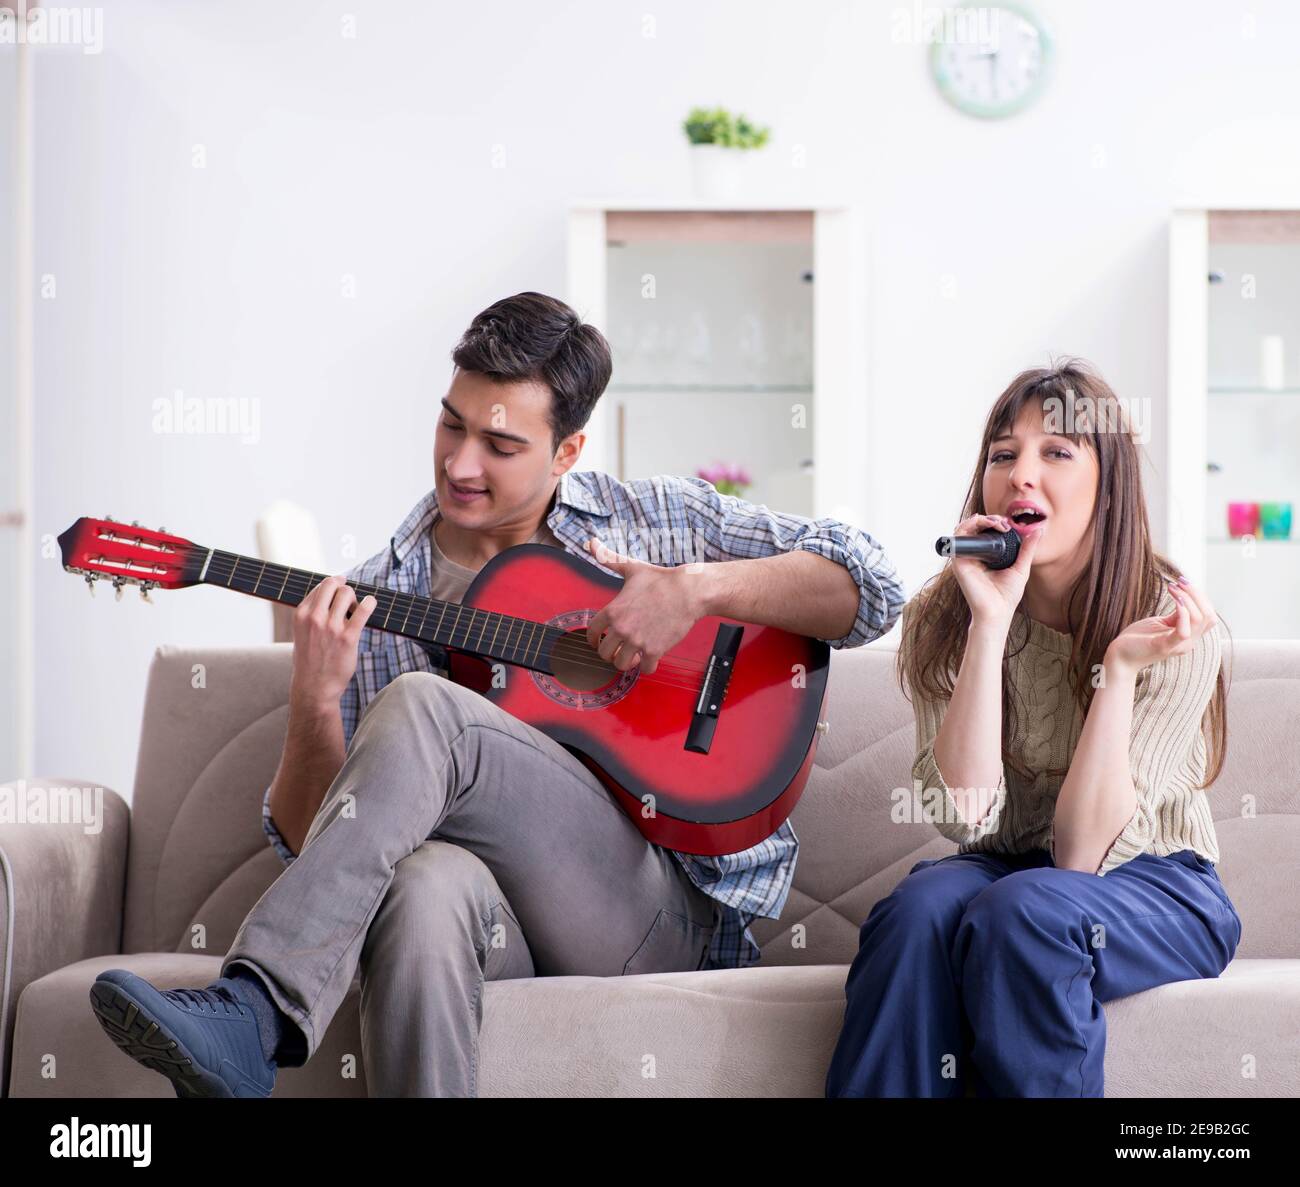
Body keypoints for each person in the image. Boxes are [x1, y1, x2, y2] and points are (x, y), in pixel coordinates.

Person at [88, 291, 905, 1097]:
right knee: (422, 884)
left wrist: (694, 590)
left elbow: (871, 584)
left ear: (567, 450)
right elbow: (323, 856)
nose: (460, 464)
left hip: (654, 914)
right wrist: (313, 699)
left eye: (500, 443)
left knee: (424, 704)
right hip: (491, 927)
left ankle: (254, 1009)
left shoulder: (652, 519)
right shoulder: (379, 594)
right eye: (452, 425)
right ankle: (251, 1029)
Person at [825, 359, 1241, 1098]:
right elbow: (965, 815)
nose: (1021, 475)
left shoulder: (1169, 621)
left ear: (1107, 484)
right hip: (1012, 868)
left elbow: (1081, 858)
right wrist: (989, 623)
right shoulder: (944, 617)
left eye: (1056, 452)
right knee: (917, 912)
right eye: (1003, 455)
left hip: (1158, 885)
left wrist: (1118, 673)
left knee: (1025, 914)